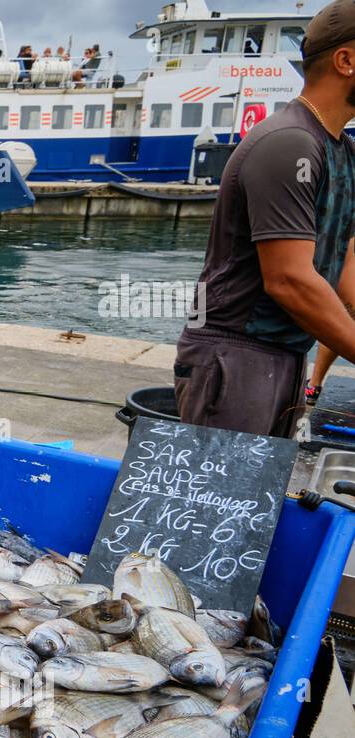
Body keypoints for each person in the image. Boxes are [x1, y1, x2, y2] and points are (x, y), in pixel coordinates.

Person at [174, 0, 355, 438]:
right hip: (234, 354)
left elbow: (345, 278)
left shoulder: (344, 153)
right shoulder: (290, 142)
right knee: (220, 503)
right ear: (346, 60)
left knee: (258, 501)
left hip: (284, 355)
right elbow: (289, 280)